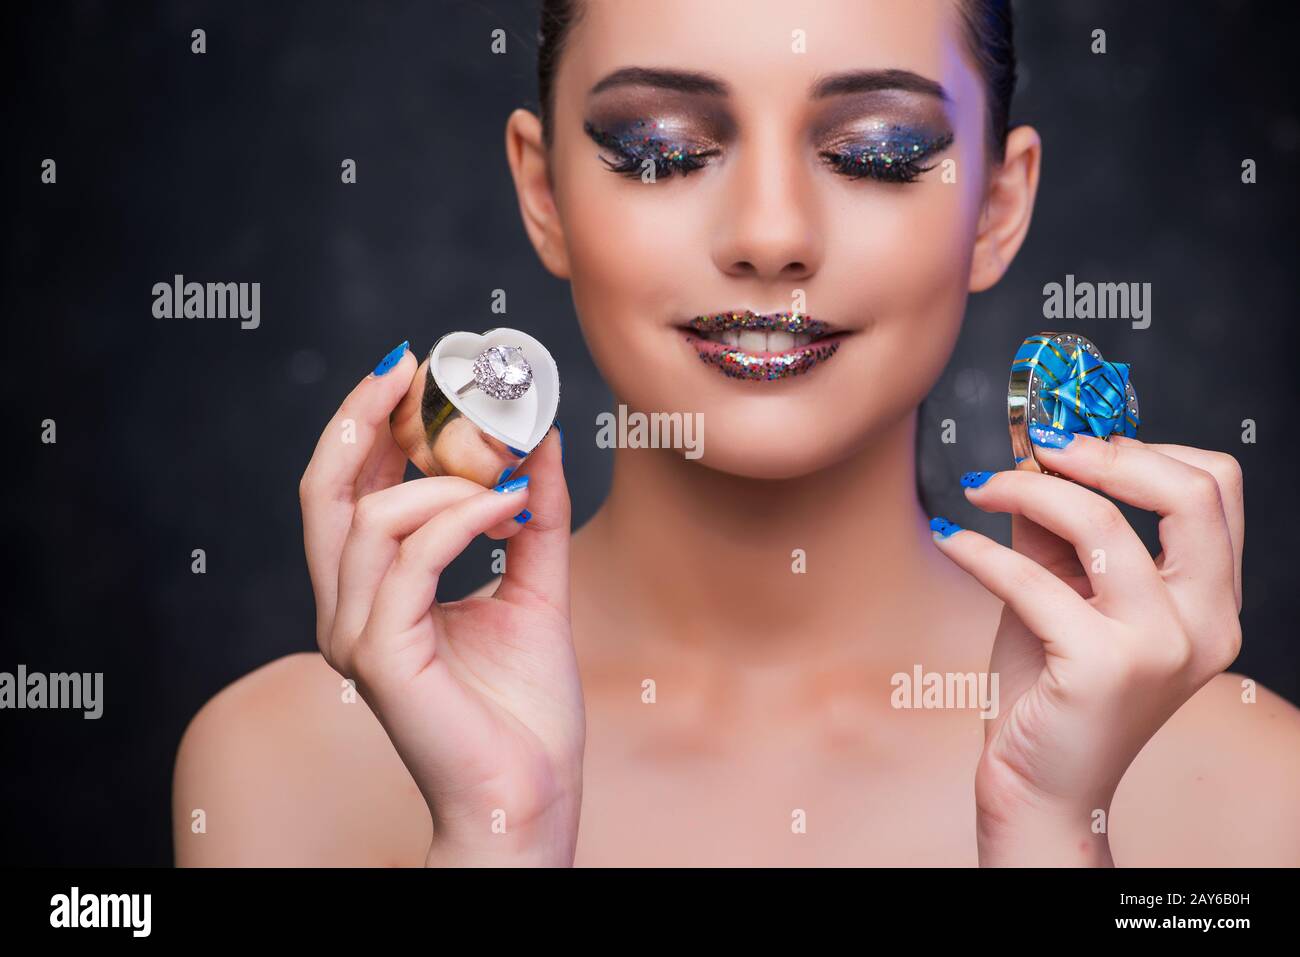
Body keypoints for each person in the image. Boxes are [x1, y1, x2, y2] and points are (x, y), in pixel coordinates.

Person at [173, 0, 1300, 866]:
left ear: (995, 209)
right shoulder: (284, 764)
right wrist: (493, 837)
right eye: (660, 146)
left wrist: (1058, 830)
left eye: (876, 151)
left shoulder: (1255, 794)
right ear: (544, 191)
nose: (769, 235)